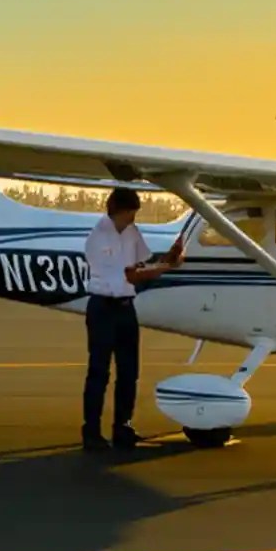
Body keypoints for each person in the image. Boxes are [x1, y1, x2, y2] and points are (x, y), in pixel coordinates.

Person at [81, 188, 185, 452]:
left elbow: (143, 264)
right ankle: (91, 431)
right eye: (130, 213)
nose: (133, 218)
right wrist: (165, 268)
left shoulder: (131, 232)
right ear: (118, 210)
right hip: (103, 307)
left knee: (129, 372)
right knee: (99, 372)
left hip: (125, 307)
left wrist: (168, 258)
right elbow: (131, 275)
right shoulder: (97, 237)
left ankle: (122, 426)